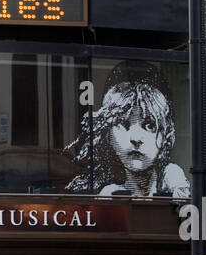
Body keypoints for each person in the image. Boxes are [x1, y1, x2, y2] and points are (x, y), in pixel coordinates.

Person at [65, 61, 190, 198]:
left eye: (149, 126)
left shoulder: (172, 177)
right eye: (123, 124)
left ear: (165, 135)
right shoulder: (109, 192)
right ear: (108, 135)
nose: (135, 138)